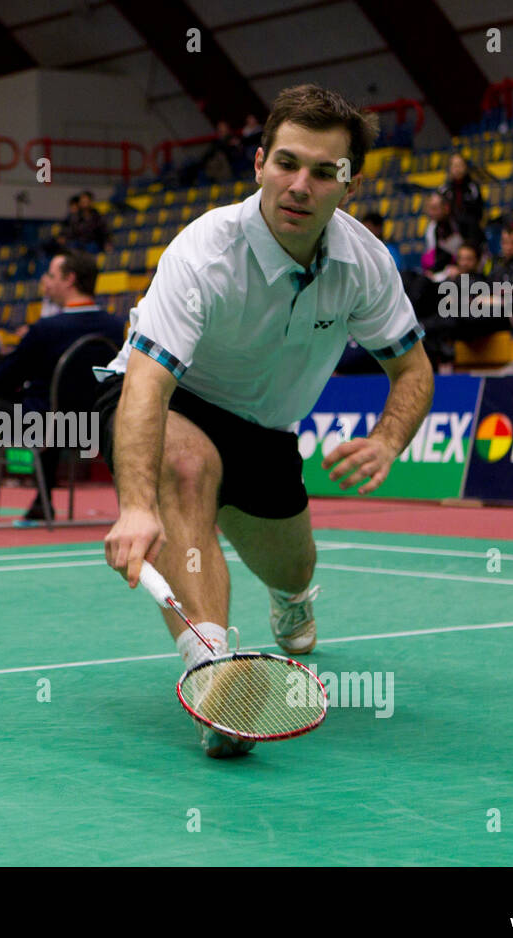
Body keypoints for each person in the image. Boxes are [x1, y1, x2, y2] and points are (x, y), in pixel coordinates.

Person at [94, 83, 433, 758]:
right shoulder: (204, 252)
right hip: (177, 397)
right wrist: (136, 506)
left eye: (323, 171)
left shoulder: (364, 264)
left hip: (267, 430)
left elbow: (413, 370)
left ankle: (293, 595)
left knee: (289, 561)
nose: (299, 184)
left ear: (349, 186)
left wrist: (389, 439)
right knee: (183, 472)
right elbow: (147, 385)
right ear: (258, 164)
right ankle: (213, 670)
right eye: (286, 163)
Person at [0, 249, 124, 524]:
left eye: (51, 275)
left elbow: (11, 376)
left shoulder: (47, 328)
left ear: (70, 279)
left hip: (47, 429)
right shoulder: (115, 327)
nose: (45, 280)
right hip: (95, 430)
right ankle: (41, 502)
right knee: (54, 402)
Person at [441, 153, 485, 230]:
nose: (457, 169)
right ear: (450, 169)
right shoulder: (444, 190)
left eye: (460, 165)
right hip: (451, 232)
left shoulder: (473, 188)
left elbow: (479, 212)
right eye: (454, 166)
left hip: (471, 231)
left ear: (465, 167)